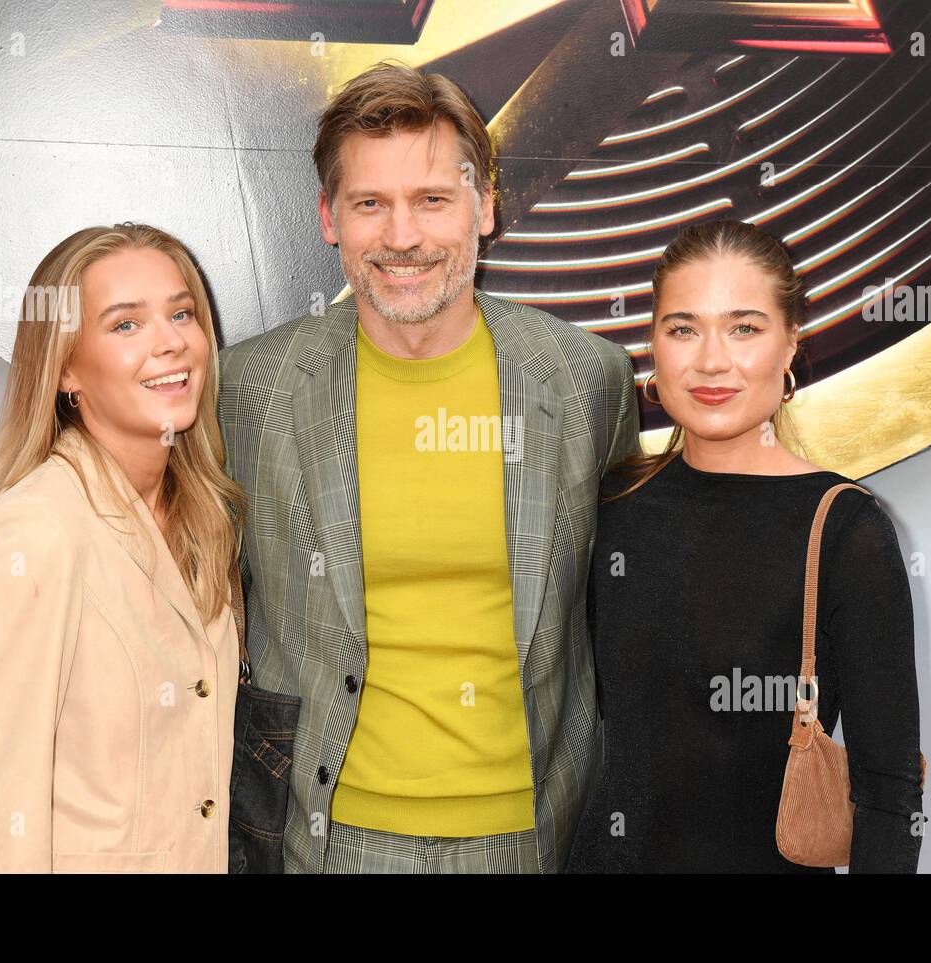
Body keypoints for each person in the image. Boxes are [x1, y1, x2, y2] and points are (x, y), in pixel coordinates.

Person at [219, 61, 641, 874]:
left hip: (531, 837)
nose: (402, 236)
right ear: (327, 217)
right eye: (370, 202)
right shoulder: (249, 389)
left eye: (433, 200)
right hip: (324, 837)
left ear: (486, 206)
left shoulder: (588, 380)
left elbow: (619, 609)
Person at [566, 218, 926, 873]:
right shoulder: (612, 506)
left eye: (745, 327)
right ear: (652, 343)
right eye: (682, 327)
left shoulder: (844, 528)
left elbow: (889, 789)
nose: (710, 360)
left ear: (790, 344)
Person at [0, 223, 247, 872]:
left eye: (181, 312)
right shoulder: (38, 534)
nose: (171, 342)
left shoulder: (200, 519)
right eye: (125, 325)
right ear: (66, 367)